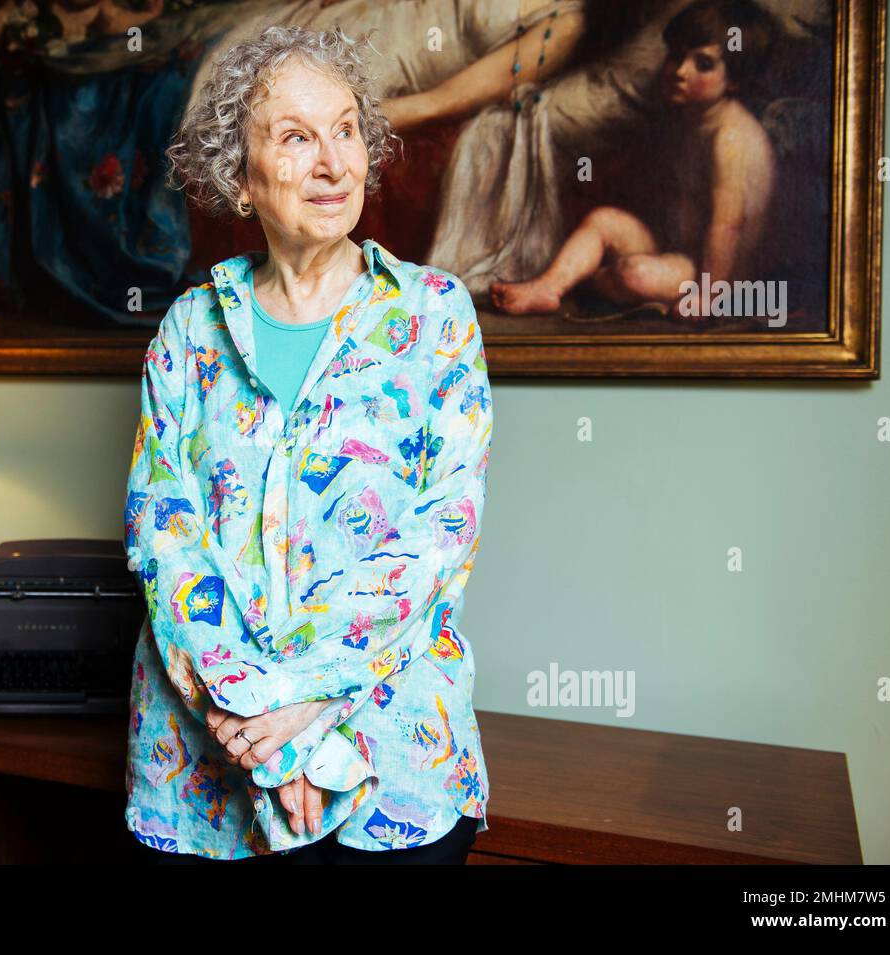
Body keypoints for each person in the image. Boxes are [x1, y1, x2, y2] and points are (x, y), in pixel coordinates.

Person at [121, 24, 493, 863]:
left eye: (347, 129)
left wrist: (294, 707)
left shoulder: (435, 316)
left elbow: (437, 538)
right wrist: (275, 735)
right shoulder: (188, 330)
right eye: (295, 137)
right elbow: (162, 537)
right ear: (239, 176)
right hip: (202, 780)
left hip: (392, 763)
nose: (334, 163)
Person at [490, 0, 776, 319]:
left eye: (703, 65)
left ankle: (596, 282)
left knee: (634, 273)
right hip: (681, 255)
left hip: (722, 273)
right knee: (604, 221)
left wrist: (710, 295)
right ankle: (548, 287)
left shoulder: (731, 138)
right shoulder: (688, 120)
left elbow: (728, 226)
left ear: (736, 79)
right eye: (676, 57)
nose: (680, 72)